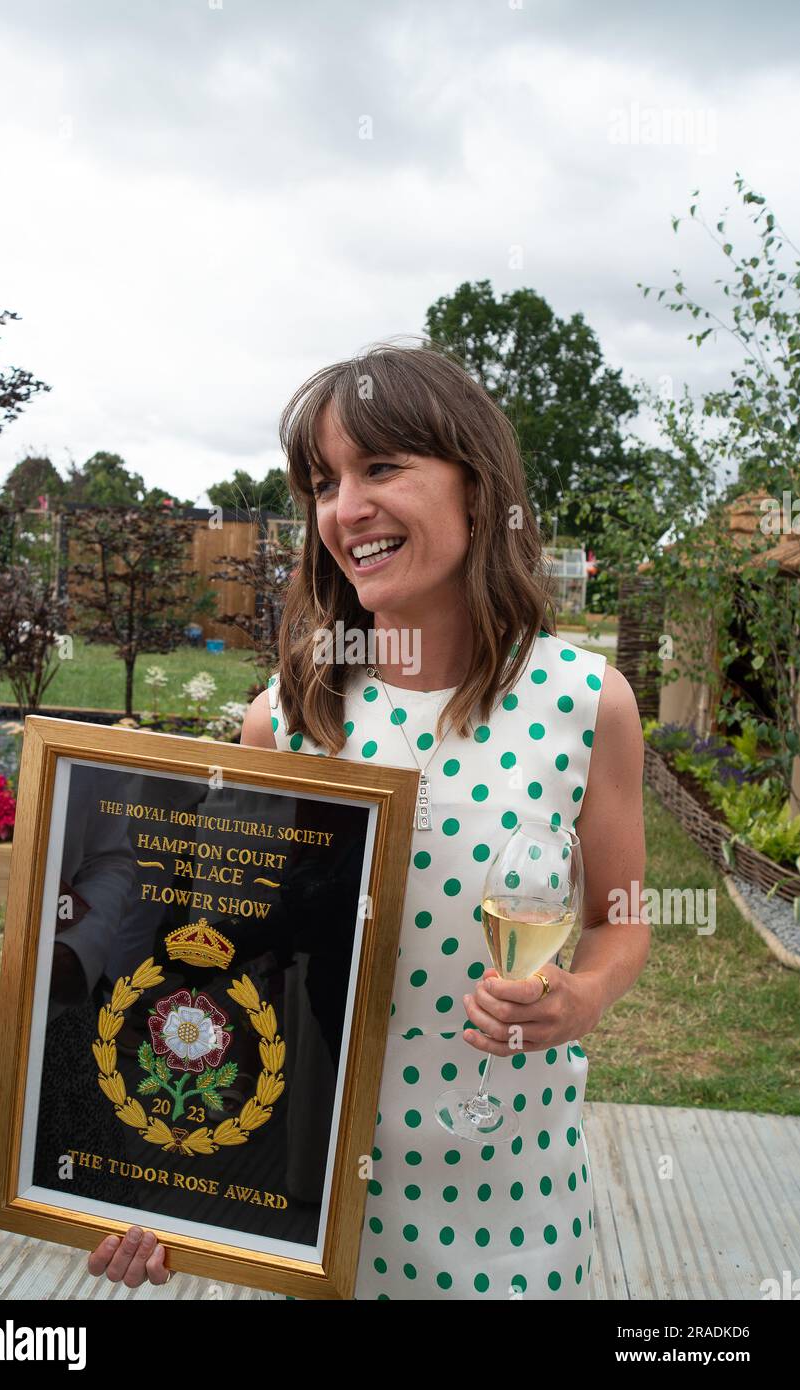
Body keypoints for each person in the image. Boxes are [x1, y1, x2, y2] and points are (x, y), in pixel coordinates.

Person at [88, 341, 649, 1297]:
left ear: (477, 489)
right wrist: (161, 1179)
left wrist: (582, 997)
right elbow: (218, 974)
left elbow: (621, 920)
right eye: (322, 481)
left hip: (510, 1208)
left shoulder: (586, 702)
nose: (345, 508)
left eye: (381, 466)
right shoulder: (290, 719)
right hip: (310, 1203)